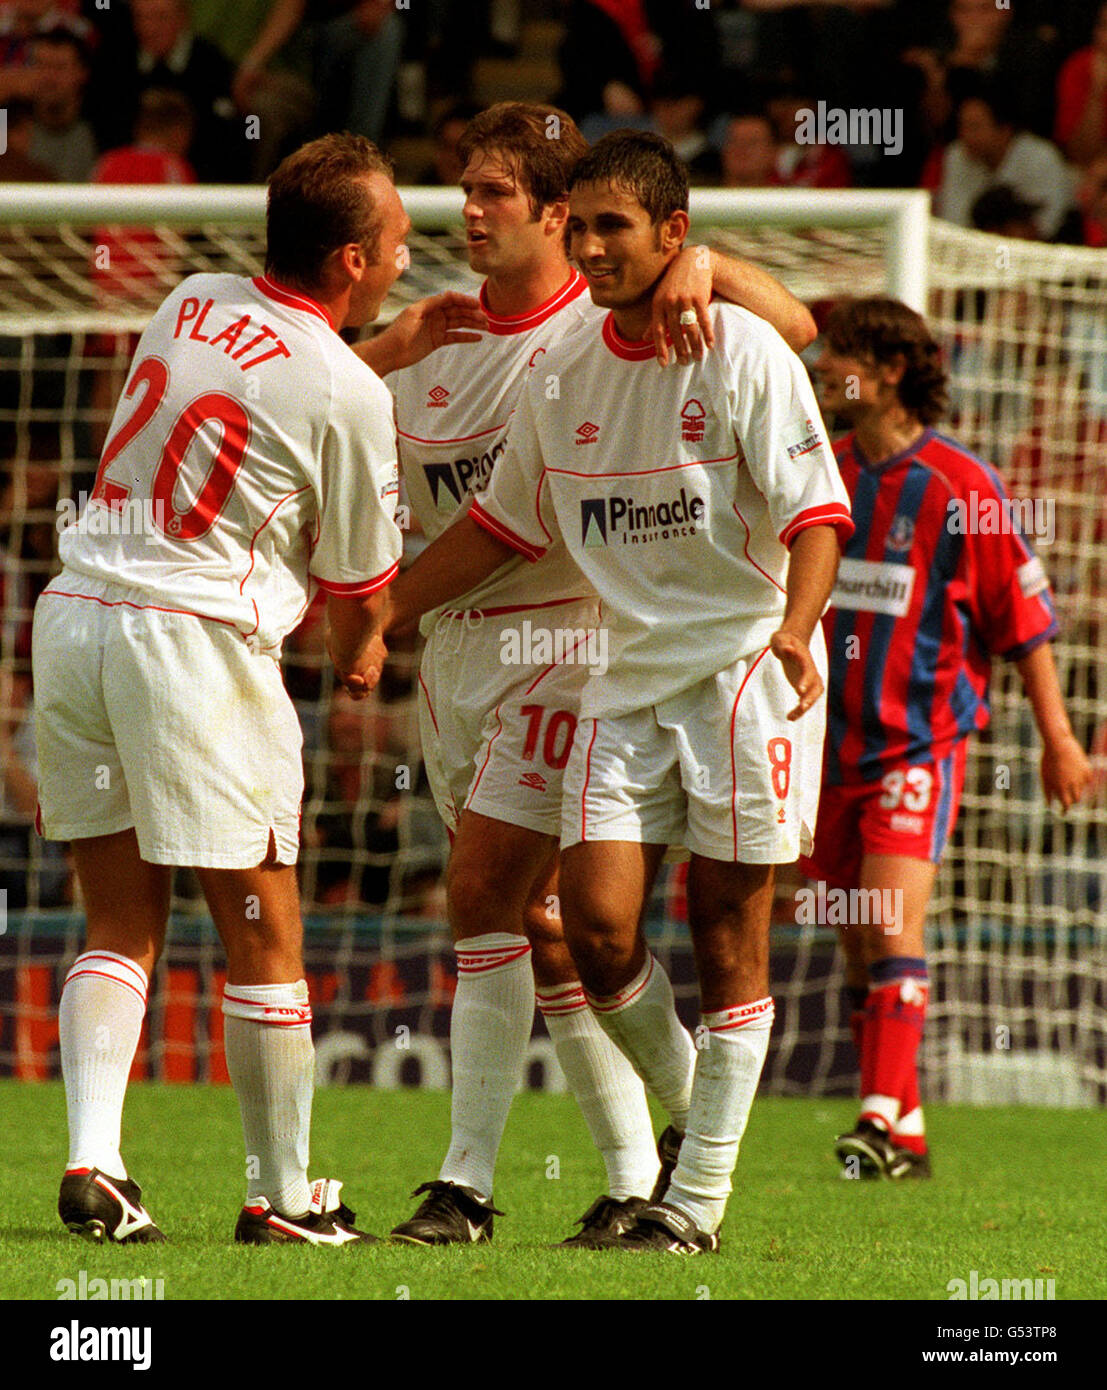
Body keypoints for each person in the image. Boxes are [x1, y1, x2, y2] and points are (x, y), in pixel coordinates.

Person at [355, 104, 820, 1250]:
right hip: (556, 664)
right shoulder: (514, 357)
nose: (469, 212)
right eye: (460, 190)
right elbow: (498, 520)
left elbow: (811, 457)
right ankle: (655, 1147)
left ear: (653, 230)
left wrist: (803, 629)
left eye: (496, 194)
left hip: (649, 661)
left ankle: (633, 1195)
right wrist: (386, 609)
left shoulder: (716, 333)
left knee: (630, 920)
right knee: (587, 932)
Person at [31, 132, 415, 1246]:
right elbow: (359, 590)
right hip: (189, 645)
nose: (405, 259)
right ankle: (285, 1198)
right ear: (352, 259)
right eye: (394, 244)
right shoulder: (350, 391)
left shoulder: (190, 299)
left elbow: (272, 382)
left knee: (118, 917)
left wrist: (384, 348)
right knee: (262, 924)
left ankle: (96, 1160)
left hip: (79, 615)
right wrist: (363, 652)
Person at [806, 296, 1092, 1179]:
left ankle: (878, 1121)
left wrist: (1058, 737)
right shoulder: (822, 470)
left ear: (888, 372)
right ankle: (908, 1131)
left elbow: (1022, 623)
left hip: (919, 741)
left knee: (890, 922)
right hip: (827, 745)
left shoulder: (963, 488)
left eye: (841, 356)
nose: (823, 369)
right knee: (856, 934)